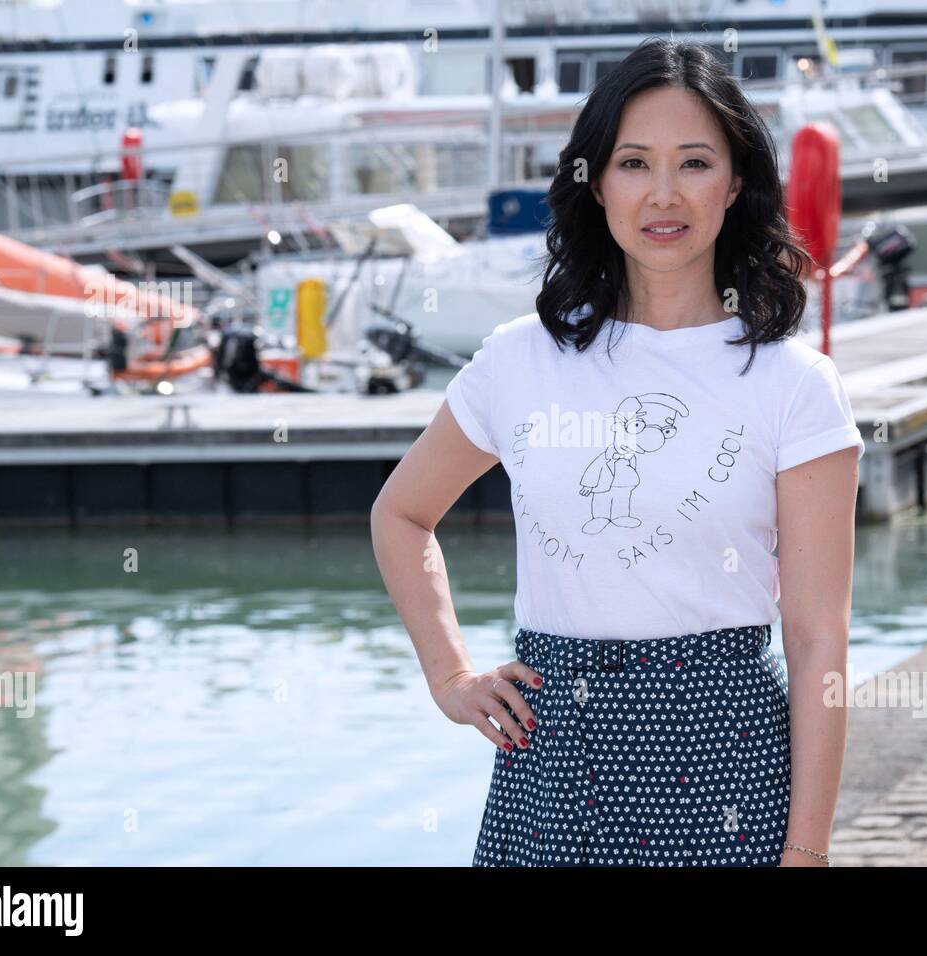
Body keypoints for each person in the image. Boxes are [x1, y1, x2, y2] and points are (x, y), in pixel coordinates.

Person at [370, 38, 864, 868]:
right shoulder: (517, 360)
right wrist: (450, 675)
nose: (663, 194)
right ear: (595, 182)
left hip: (730, 771)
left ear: (736, 181)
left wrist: (806, 852)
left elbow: (820, 640)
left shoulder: (796, 385)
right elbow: (402, 514)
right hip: (551, 778)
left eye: (695, 163)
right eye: (634, 163)